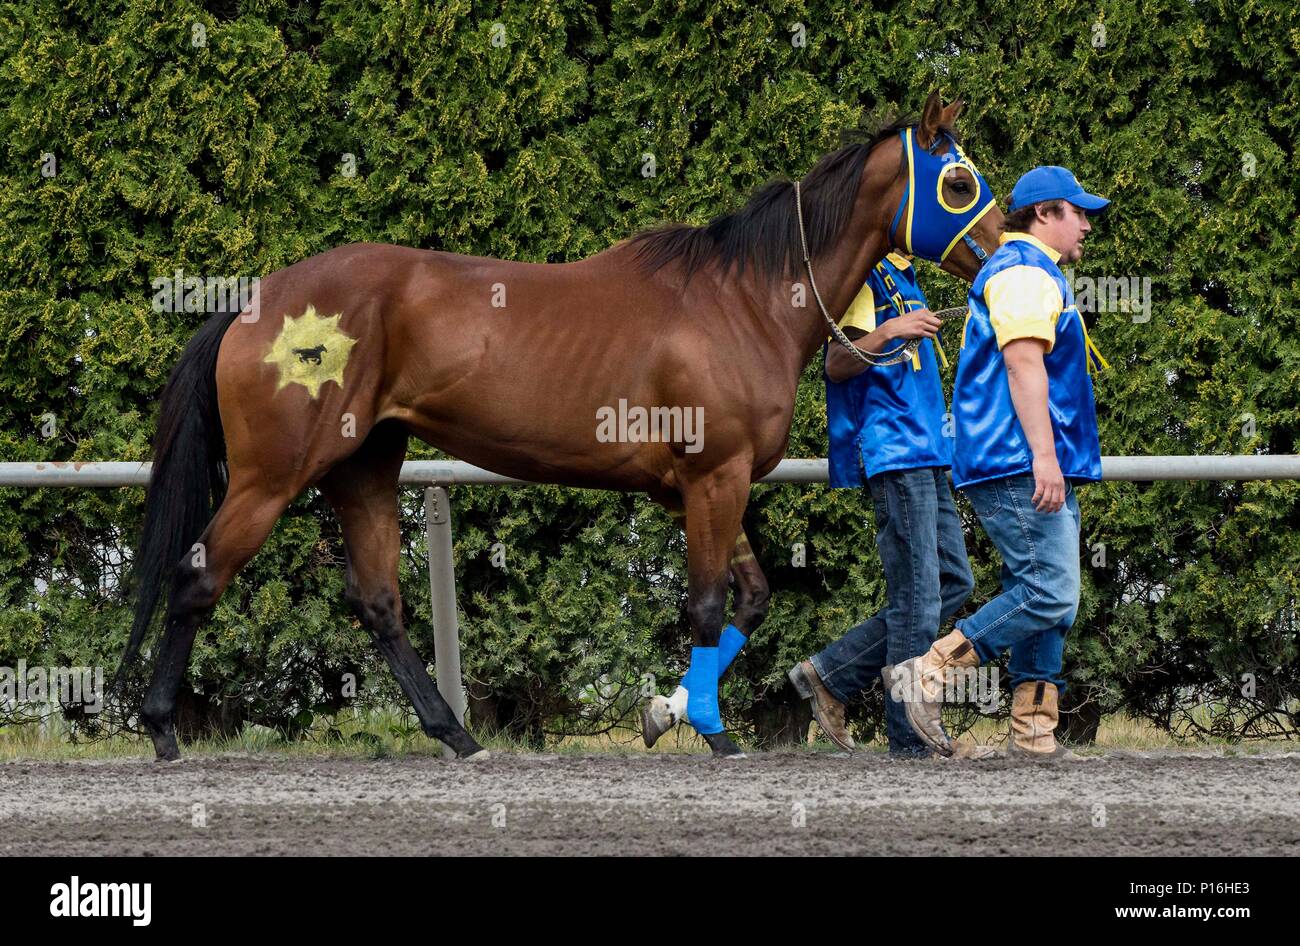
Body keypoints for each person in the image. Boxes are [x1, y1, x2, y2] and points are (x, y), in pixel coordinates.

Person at [888, 166, 1110, 759]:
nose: (1087, 225)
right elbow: (1023, 365)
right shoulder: (1025, 273)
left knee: (1044, 597)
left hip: (1018, 456)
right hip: (1017, 457)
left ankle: (1034, 735)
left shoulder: (1025, 271)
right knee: (1051, 592)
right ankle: (930, 672)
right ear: (1044, 214)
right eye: (1077, 213)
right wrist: (1044, 456)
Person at [787, 250, 976, 757]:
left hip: (929, 452)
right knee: (918, 598)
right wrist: (893, 330)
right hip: (895, 453)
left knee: (954, 582)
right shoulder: (862, 272)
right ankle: (909, 740)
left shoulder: (905, 273)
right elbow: (837, 360)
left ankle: (830, 673)